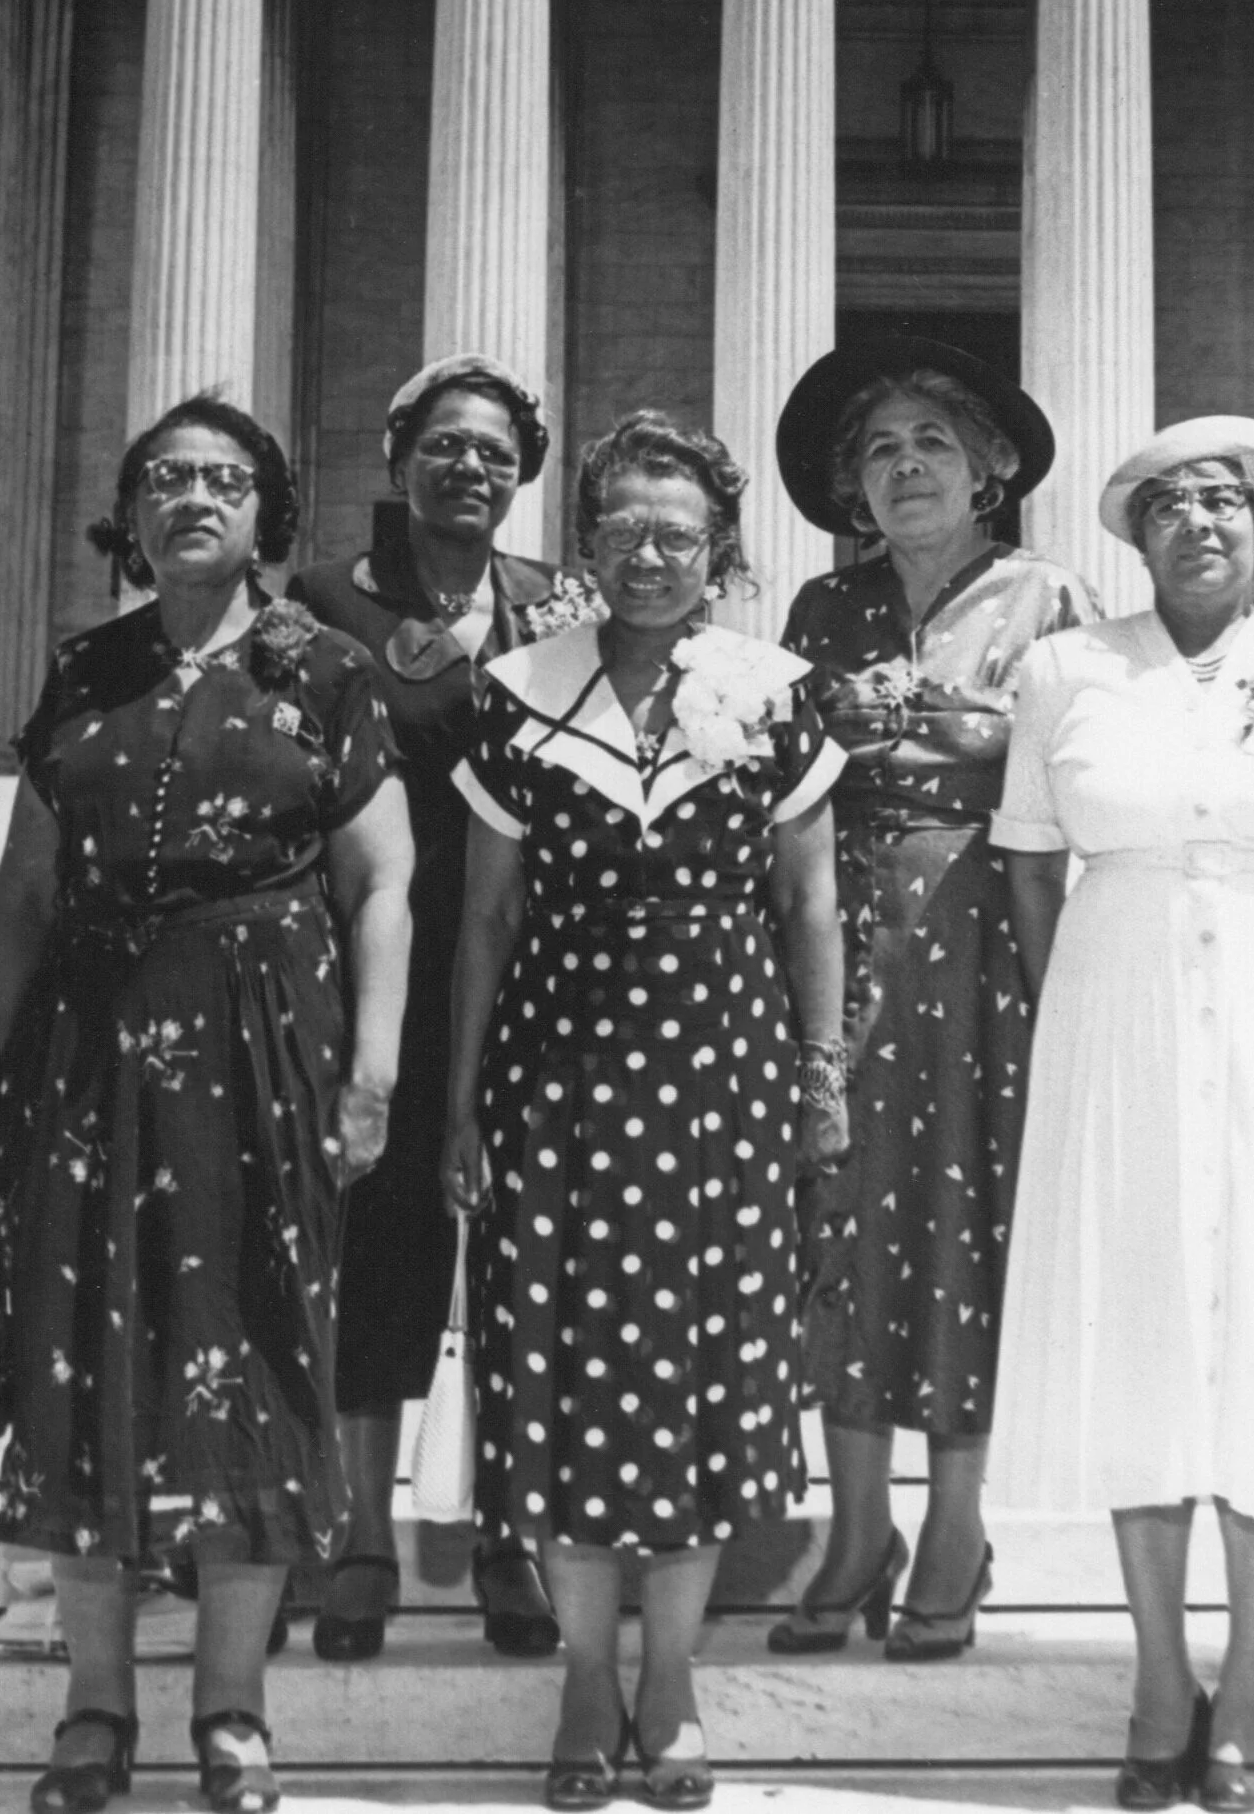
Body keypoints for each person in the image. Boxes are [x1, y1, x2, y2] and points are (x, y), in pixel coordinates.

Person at [0, 395, 413, 1814]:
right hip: (89, 1054)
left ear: (267, 510)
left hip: (261, 1048)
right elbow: (26, 888)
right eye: (164, 478)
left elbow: (383, 880)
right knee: (79, 1361)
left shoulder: (323, 668)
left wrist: (373, 1070)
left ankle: (232, 1710)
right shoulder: (85, 667)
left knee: (258, 1362)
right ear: (133, 512)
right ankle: (95, 1709)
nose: (191, 497)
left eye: (221, 478)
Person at [988, 418, 1254, 1813]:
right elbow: (1026, 865)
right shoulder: (1065, 668)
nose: (1198, 522)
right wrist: (1082, 1003)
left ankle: (1250, 1672)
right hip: (1112, 1016)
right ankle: (1157, 1672)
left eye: (1224, 502)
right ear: (1133, 533)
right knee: (1143, 1329)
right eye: (1168, 502)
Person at [440, 410, 850, 1809]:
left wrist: (819, 1072)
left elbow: (806, 900)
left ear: (720, 550)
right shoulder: (515, 688)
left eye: (678, 532)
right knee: (561, 1382)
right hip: (559, 1079)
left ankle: (668, 1681)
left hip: (720, 1081)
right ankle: (583, 1678)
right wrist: (458, 1104)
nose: (650, 552)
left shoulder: (774, 687)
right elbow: (486, 919)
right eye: (622, 527)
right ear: (585, 541)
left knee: (688, 1386)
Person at [768, 340, 1095, 1661]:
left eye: (932, 445)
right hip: (841, 950)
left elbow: (1074, 792)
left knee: (964, 1224)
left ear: (989, 469)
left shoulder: (1050, 602)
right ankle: (856, 1525)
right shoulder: (819, 611)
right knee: (838, 1223)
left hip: (983, 955)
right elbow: (786, 796)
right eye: (881, 449)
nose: (905, 468)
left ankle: (954, 1521)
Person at [289, 356, 595, 1662]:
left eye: (495, 452)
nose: (471, 468)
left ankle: (507, 1534)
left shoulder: (556, 605)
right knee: (380, 1234)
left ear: (521, 475)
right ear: (396, 451)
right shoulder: (319, 600)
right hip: (382, 961)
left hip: (535, 964)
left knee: (526, 1247)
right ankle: (360, 1534)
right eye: (445, 445)